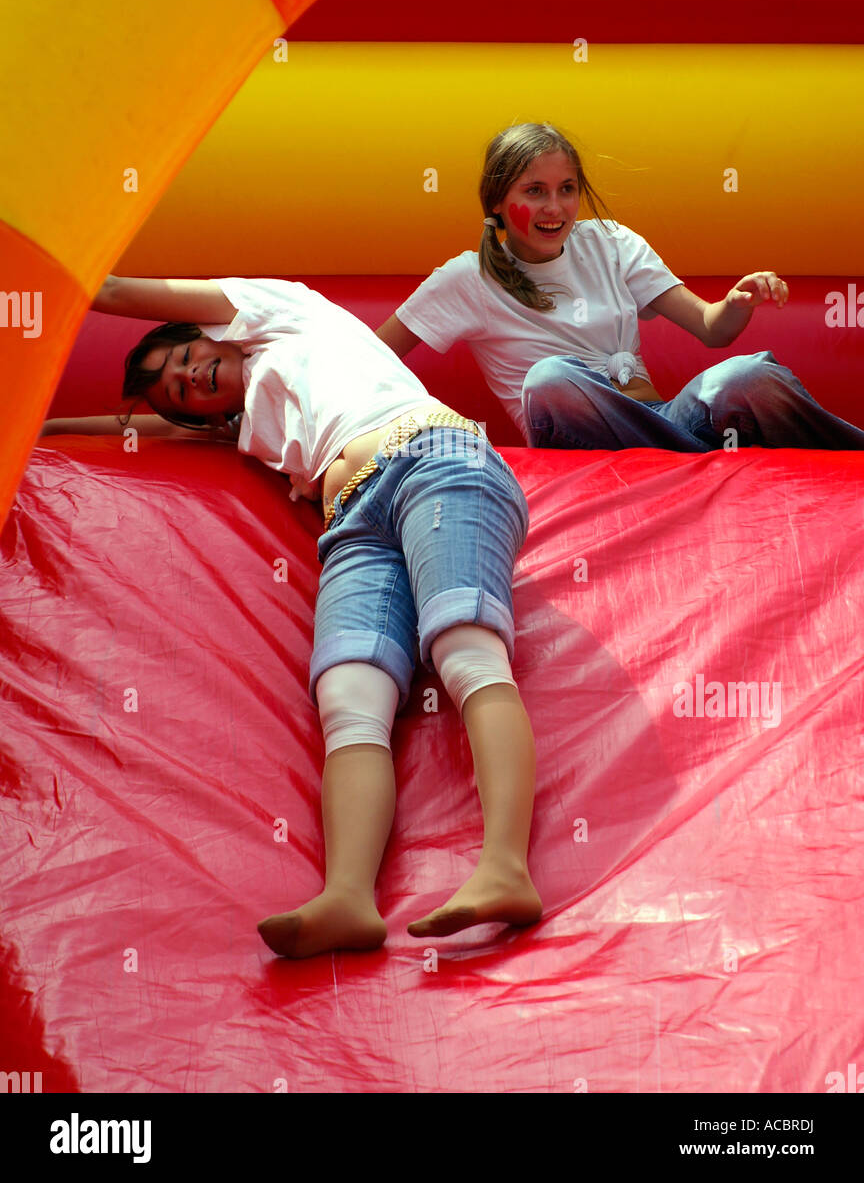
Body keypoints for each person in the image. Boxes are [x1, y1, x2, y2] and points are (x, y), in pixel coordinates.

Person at [43, 274, 540, 957]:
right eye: (179, 389)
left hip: (437, 459)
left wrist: (45, 267)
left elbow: (122, 294)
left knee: (463, 646)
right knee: (349, 695)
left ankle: (505, 867)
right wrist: (42, 427)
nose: (190, 376)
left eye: (185, 357)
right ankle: (347, 898)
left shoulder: (281, 314)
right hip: (353, 523)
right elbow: (138, 429)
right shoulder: (249, 428)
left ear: (213, 334)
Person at [375, 122, 864, 451]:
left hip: (664, 419)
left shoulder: (610, 242)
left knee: (745, 375)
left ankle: (851, 458)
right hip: (580, 444)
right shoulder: (469, 278)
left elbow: (713, 330)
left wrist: (738, 302)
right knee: (549, 379)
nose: (555, 207)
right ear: (498, 202)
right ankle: (689, 455)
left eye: (567, 189)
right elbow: (370, 354)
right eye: (535, 191)